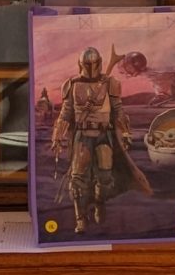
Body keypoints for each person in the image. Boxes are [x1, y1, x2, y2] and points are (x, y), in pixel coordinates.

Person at [49, 46, 147, 234]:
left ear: (100, 63)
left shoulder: (110, 83)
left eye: (94, 63)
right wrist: (58, 136)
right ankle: (80, 218)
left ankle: (99, 203)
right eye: (87, 64)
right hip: (82, 136)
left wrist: (125, 133)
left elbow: (118, 111)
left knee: (104, 178)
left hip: (104, 135)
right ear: (81, 64)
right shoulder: (72, 84)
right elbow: (65, 114)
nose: (91, 67)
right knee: (78, 179)